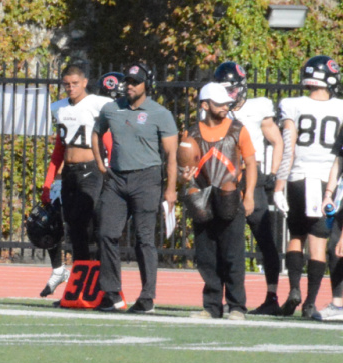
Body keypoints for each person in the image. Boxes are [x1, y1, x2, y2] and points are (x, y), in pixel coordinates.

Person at [92, 63, 178, 314]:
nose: (129, 86)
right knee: (106, 233)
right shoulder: (111, 109)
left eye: (135, 82)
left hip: (147, 179)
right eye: (127, 81)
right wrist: (100, 163)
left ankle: (147, 297)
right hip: (116, 179)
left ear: (146, 85)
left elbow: (171, 155)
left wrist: (170, 190)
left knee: (144, 239)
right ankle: (111, 293)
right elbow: (97, 133)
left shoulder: (160, 113)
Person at [213, 62, 296, 316]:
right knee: (228, 239)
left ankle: (271, 295)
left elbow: (277, 141)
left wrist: (272, 174)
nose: (229, 95)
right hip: (226, 173)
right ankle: (230, 297)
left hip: (253, 172)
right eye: (224, 90)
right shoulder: (216, 108)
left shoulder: (259, 107)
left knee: (264, 237)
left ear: (242, 87)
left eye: (232, 89)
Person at [179, 83, 256, 319]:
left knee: (232, 255)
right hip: (203, 198)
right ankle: (211, 306)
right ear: (205, 105)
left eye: (226, 103)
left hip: (230, 197)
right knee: (206, 256)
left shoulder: (238, 129)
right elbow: (185, 168)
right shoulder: (191, 134)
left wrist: (250, 195)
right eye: (219, 103)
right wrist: (185, 177)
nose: (224, 107)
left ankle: (236, 306)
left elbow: (251, 163)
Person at [275, 55, 343, 319]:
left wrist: (279, 185)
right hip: (328, 179)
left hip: (298, 177)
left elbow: (288, 146)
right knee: (319, 242)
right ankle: (310, 303)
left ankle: (294, 288)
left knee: (296, 236)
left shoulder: (292, 104)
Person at [39, 61, 107, 297]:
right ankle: (80, 288)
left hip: (91, 169)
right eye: (66, 84)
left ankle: (98, 286)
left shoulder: (99, 104)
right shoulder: (59, 108)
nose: (70, 88)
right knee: (74, 229)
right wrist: (49, 180)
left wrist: (106, 167)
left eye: (75, 83)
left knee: (92, 228)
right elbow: (59, 148)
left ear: (85, 82)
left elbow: (108, 138)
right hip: (69, 171)